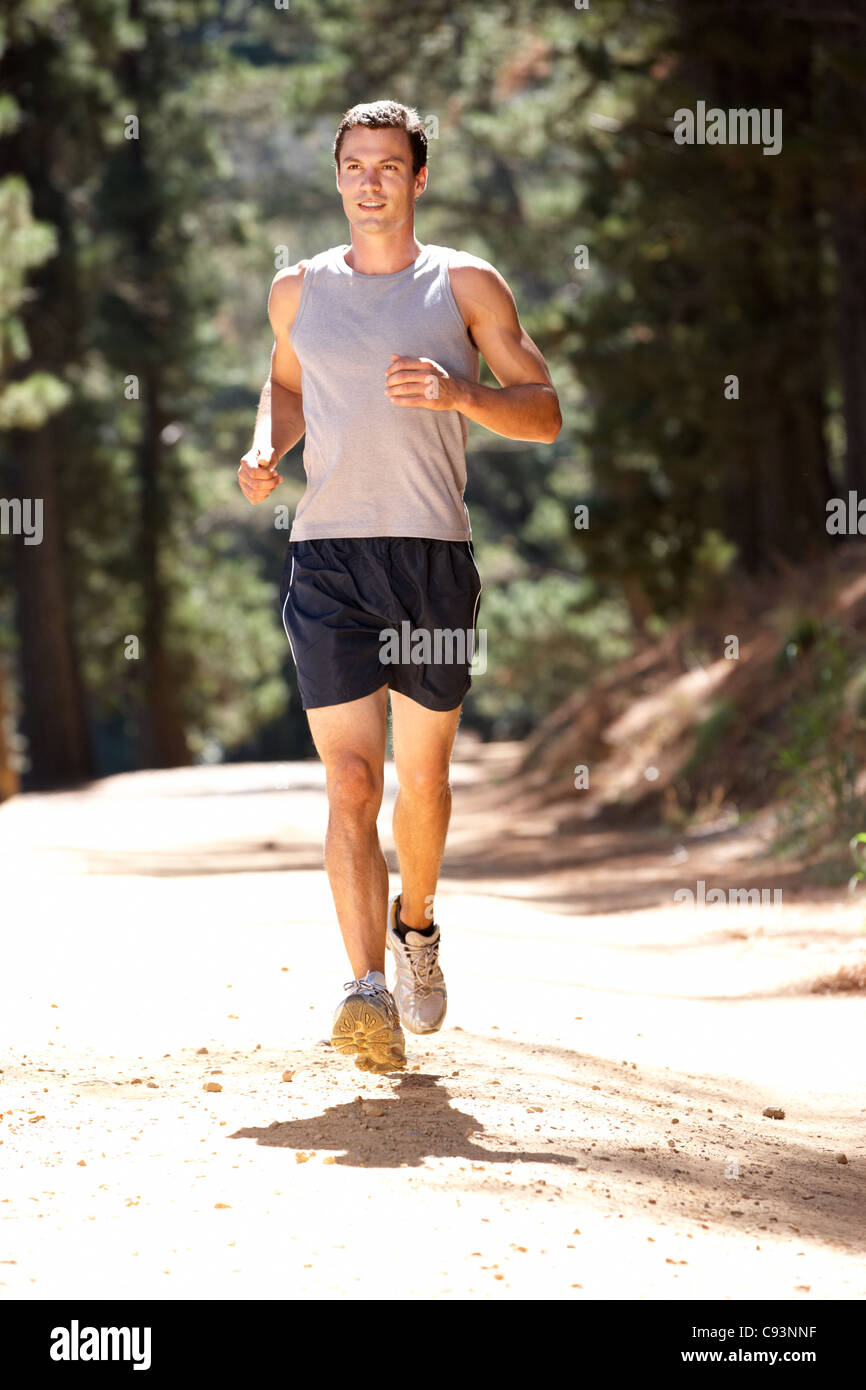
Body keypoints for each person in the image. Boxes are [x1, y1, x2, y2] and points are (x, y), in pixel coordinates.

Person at [238, 99, 561, 1072]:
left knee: (420, 780)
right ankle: (364, 987)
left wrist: (461, 393)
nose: (368, 180)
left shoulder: (463, 284)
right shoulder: (297, 290)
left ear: (417, 179)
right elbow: (286, 384)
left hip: (430, 559)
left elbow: (542, 413)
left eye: (387, 165)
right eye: (352, 164)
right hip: (327, 556)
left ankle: (415, 925)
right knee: (350, 779)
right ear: (335, 174)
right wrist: (265, 444)